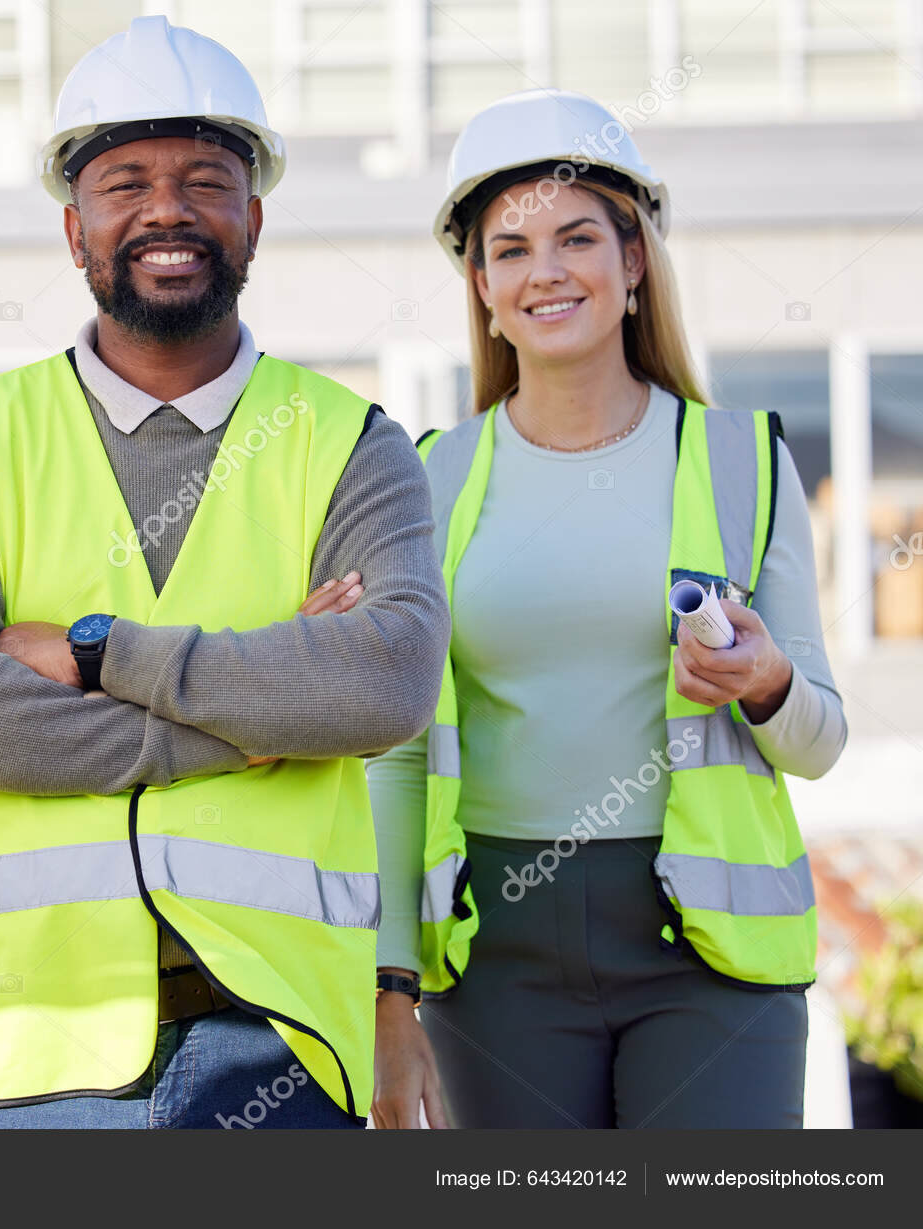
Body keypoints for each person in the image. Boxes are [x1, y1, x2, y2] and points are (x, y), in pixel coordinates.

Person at [0, 16, 450, 1130]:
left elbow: (381, 683)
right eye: (125, 182)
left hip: (274, 1040)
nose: (166, 209)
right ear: (74, 227)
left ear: (254, 218)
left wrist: (94, 654)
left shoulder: (352, 441)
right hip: (26, 1040)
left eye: (204, 180)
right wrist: (253, 719)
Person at [373, 88, 847, 1128]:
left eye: (577, 236)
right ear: (481, 284)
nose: (545, 270)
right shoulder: (428, 479)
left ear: (633, 262)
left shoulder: (742, 460)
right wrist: (389, 987)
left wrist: (765, 683)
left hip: (708, 949)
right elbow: (400, 753)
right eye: (511, 248)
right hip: (495, 954)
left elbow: (819, 741)